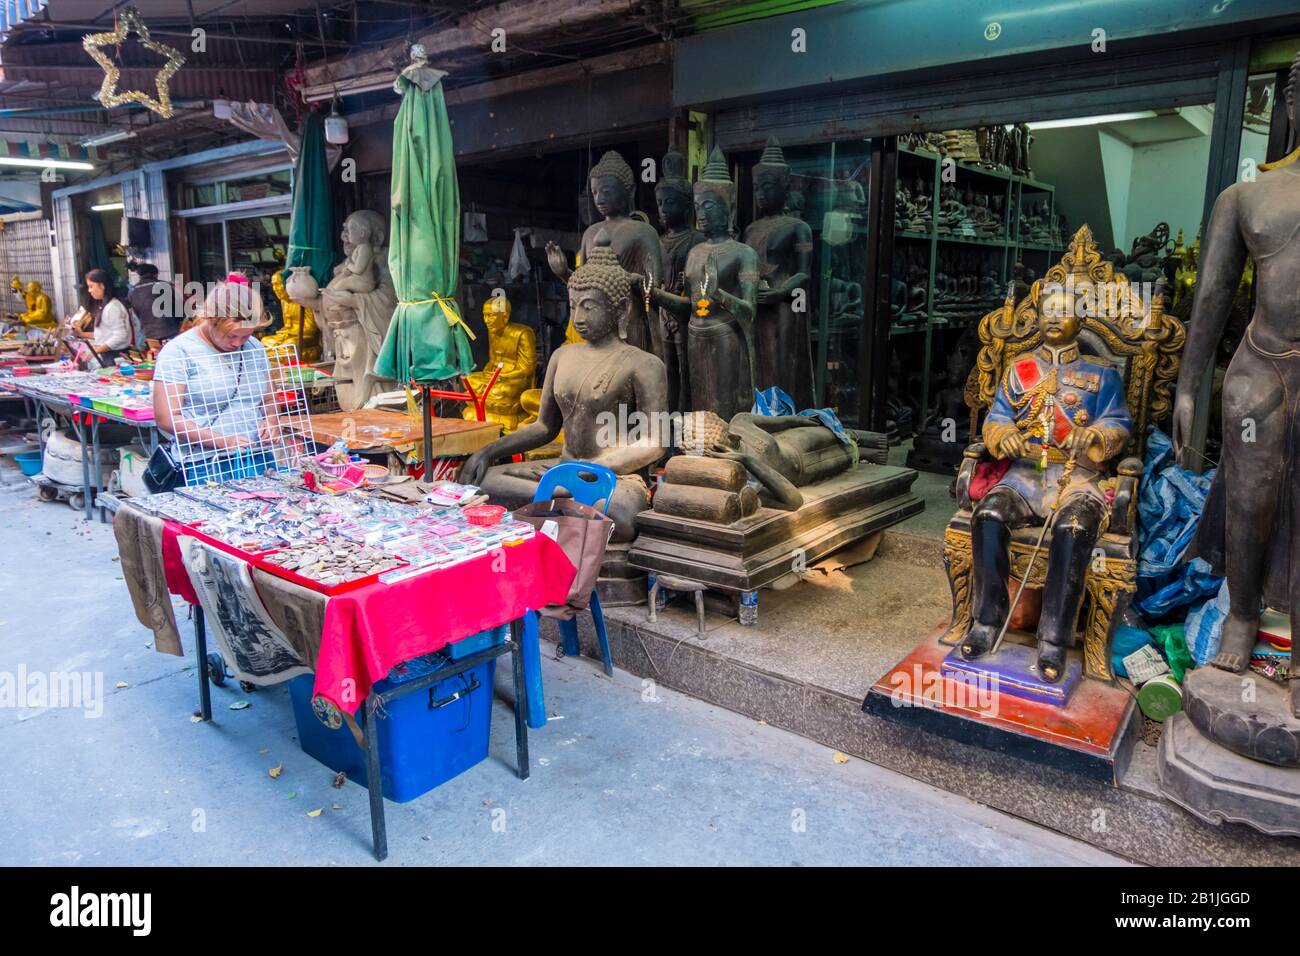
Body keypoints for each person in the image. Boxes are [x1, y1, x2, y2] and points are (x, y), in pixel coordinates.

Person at [152, 278, 282, 485]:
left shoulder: (255, 347)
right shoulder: (179, 351)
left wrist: (272, 421)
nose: (238, 343)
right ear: (212, 320)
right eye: (232, 336)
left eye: (246, 336)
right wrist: (222, 441)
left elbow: (269, 399)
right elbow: (166, 418)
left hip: (256, 456)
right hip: (204, 463)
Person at [71, 268, 142, 363]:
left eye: (91, 286)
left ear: (102, 285)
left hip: (115, 356)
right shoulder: (106, 306)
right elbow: (104, 334)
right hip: (109, 355)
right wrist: (81, 334)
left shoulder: (112, 307)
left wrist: (95, 351)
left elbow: (120, 336)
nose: (89, 290)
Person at [127, 261, 180, 345]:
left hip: (148, 333)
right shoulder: (163, 285)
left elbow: (137, 313)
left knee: (154, 352)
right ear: (155, 274)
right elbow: (176, 308)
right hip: (168, 330)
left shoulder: (133, 291)